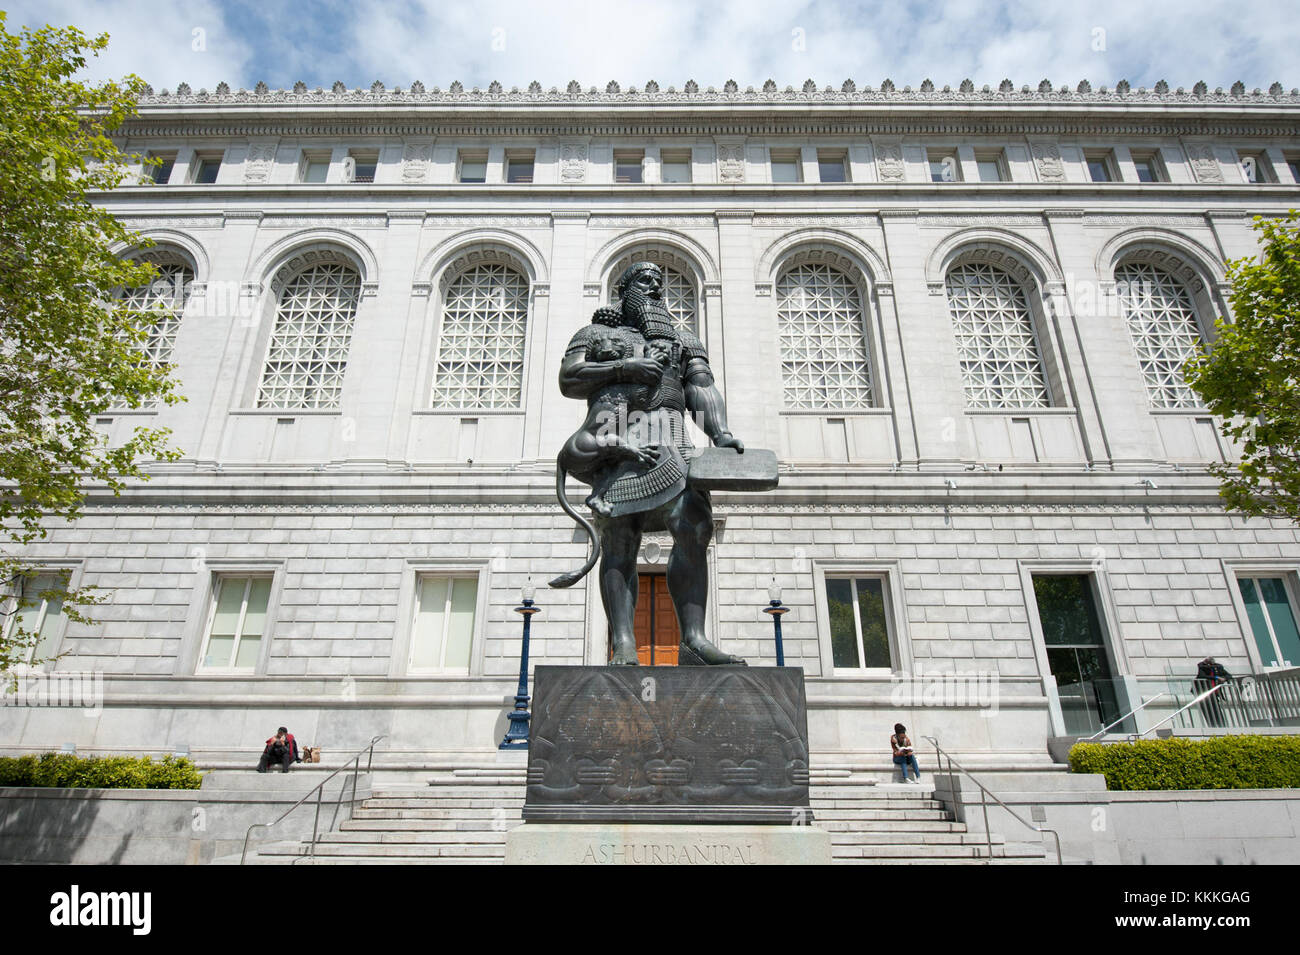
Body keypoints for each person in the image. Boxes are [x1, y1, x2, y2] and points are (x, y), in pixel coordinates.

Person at [1192, 656, 1233, 728]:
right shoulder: (1202, 667)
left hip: (1214, 693)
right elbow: (1202, 676)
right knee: (1208, 711)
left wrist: (1224, 678)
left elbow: (1229, 675)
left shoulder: (1217, 667)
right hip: (1203, 692)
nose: (1209, 665)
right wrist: (1216, 677)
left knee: (1217, 710)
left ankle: (1222, 726)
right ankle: (1212, 726)